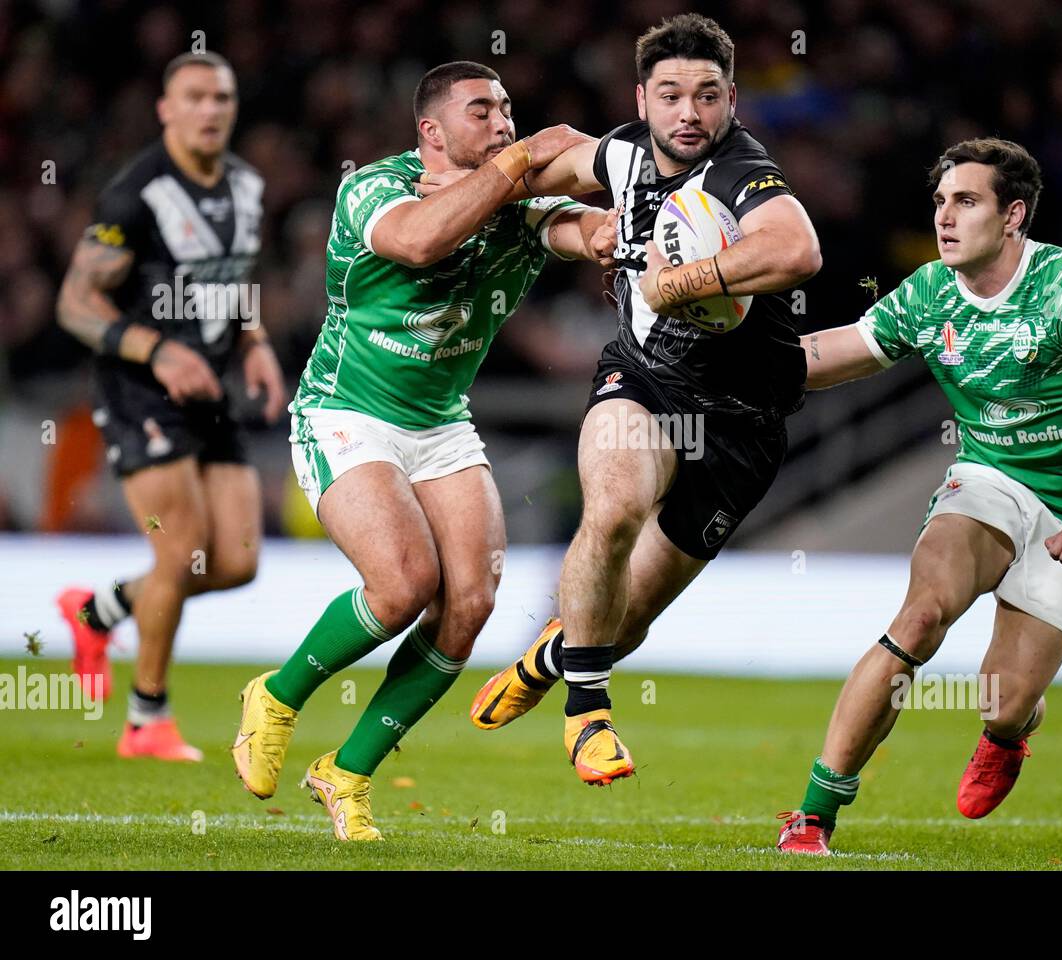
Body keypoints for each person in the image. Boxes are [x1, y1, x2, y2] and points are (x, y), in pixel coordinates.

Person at [230, 60, 618, 840]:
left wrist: (613, 231)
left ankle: (347, 772)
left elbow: (585, 197)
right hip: (347, 412)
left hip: (440, 420)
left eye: (509, 109)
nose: (503, 123)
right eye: (482, 110)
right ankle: (276, 695)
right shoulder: (373, 189)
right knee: (405, 582)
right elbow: (418, 241)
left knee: (470, 602)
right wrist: (519, 168)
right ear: (431, 132)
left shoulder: (521, 202)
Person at [775, 138, 1062, 854]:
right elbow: (834, 354)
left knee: (1002, 700)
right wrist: (736, 366)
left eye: (966, 200)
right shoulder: (931, 292)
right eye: (940, 201)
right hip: (986, 482)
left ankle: (1010, 733)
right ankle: (815, 812)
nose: (945, 216)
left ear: (1013, 214)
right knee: (923, 614)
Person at [465, 14, 822, 787]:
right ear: (642, 98)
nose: (688, 113)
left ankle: (554, 658)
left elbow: (798, 250)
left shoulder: (739, 172)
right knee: (616, 504)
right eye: (670, 95)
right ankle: (587, 716)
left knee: (621, 624)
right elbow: (538, 171)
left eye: (705, 96)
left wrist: (679, 281)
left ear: (731, 100)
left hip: (741, 427)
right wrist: (476, 187)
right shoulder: (622, 152)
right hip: (645, 379)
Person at [55, 51, 285, 762]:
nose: (210, 109)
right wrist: (156, 350)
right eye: (194, 96)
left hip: (210, 386)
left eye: (222, 96)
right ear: (166, 108)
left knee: (239, 559)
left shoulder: (247, 186)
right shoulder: (137, 194)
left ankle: (100, 610)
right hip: (140, 391)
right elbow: (74, 302)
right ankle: (145, 720)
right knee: (181, 548)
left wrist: (256, 342)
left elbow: (235, 277)